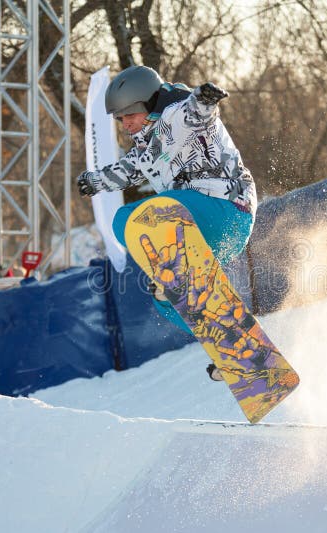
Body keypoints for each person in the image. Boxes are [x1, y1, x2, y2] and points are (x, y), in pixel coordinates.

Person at [76, 65, 257, 381]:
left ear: (148, 102)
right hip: (213, 234)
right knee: (163, 296)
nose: (126, 123)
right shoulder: (145, 149)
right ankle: (235, 350)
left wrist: (205, 98)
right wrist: (95, 181)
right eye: (120, 118)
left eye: (131, 113)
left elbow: (196, 114)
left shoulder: (175, 114)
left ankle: (175, 263)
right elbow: (128, 170)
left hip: (225, 210)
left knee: (150, 212)